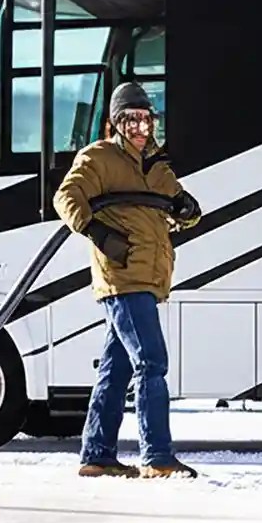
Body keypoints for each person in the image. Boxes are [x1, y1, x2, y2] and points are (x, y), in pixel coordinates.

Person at [52, 81, 203, 479]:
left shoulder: (157, 167)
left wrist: (188, 210)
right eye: (131, 120)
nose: (140, 128)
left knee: (115, 370)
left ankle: (97, 455)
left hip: (149, 277)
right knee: (151, 362)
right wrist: (97, 232)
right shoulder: (99, 157)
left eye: (146, 120)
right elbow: (66, 197)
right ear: (116, 123)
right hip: (122, 275)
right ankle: (157, 457)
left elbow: (180, 209)